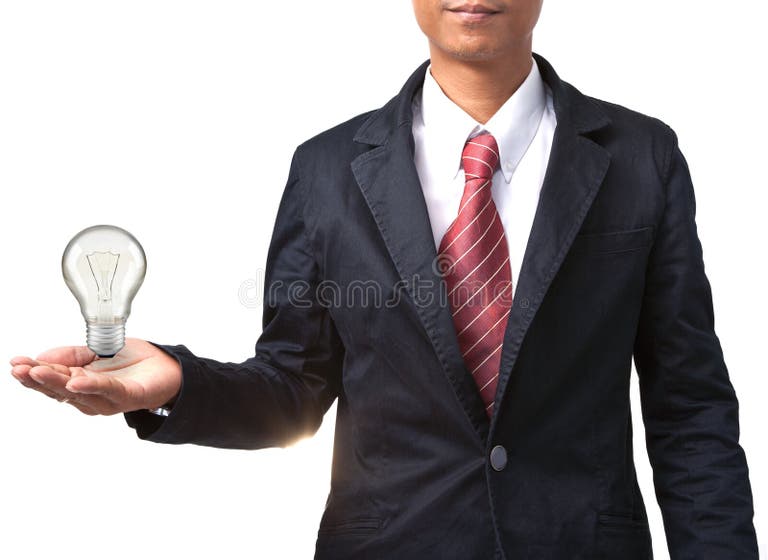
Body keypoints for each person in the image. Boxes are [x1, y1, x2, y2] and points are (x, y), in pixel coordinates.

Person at [9, 0, 758, 558]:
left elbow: (688, 406)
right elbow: (295, 390)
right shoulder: (329, 170)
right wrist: (178, 383)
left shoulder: (640, 158)